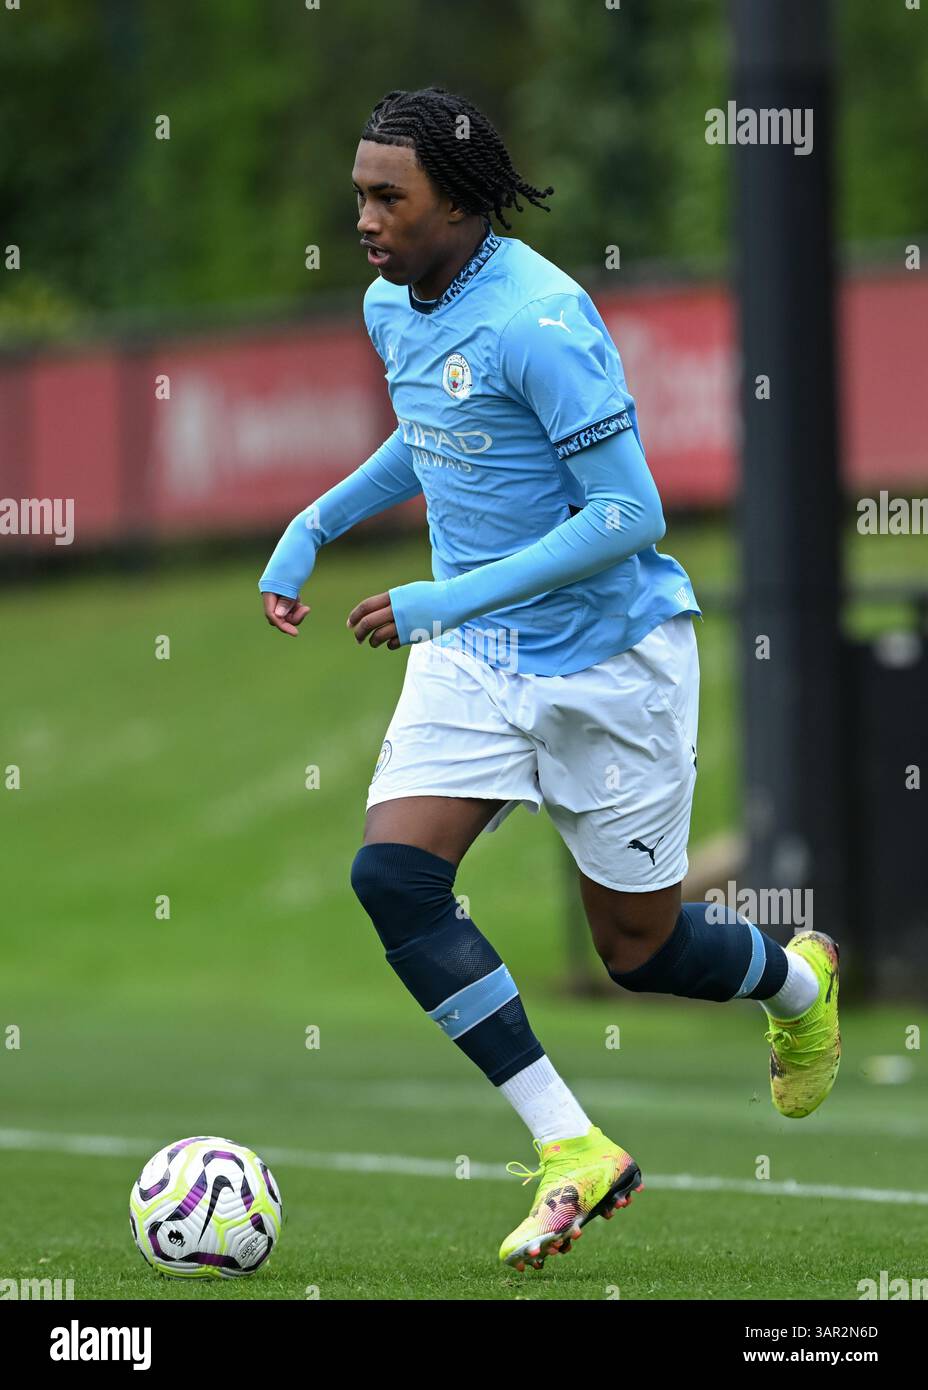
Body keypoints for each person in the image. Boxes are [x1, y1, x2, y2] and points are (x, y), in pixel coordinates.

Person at [259, 86, 841, 1272]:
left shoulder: (543, 319)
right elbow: (433, 436)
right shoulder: (391, 304)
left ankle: (793, 980)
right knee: (394, 878)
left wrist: (440, 597)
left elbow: (631, 512)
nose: (363, 218)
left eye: (388, 196)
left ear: (462, 202)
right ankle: (570, 1144)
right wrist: (316, 523)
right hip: (475, 662)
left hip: (607, 664)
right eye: (359, 193)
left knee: (641, 951)